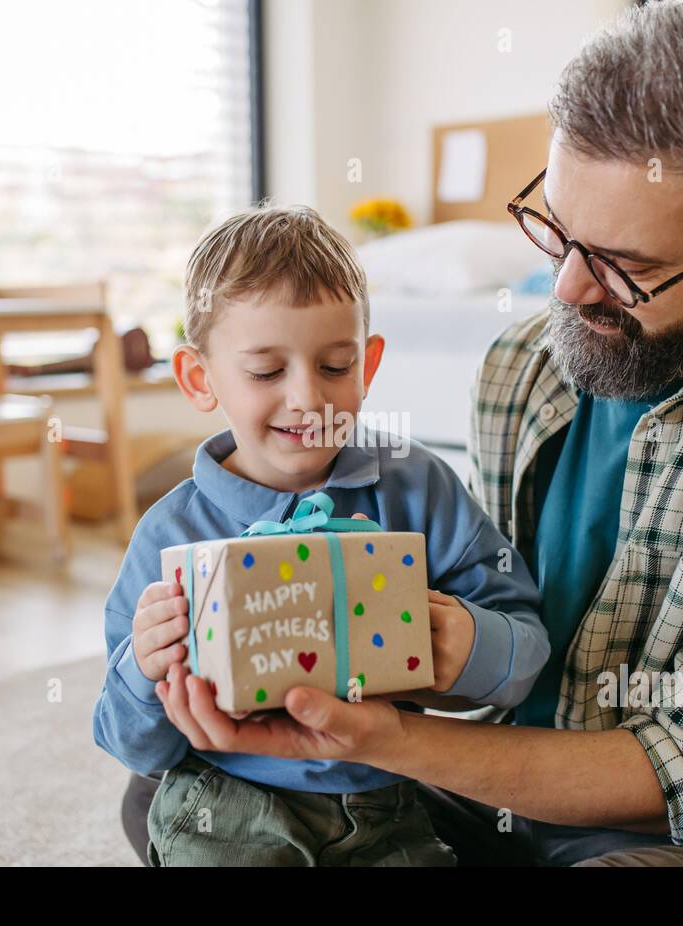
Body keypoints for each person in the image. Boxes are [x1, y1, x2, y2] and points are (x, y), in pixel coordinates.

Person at [129, 0, 683, 867]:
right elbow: (493, 626)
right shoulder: (525, 363)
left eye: (627, 266)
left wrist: (379, 742)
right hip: (503, 789)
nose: (569, 291)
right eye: (555, 231)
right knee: (188, 797)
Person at [92, 204, 550, 866]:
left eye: (335, 366)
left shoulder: (417, 486)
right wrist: (144, 666)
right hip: (227, 799)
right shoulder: (171, 531)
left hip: (387, 795)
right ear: (200, 378)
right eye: (267, 372)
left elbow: (526, 649)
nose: (308, 398)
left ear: (368, 364)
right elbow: (131, 744)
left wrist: (469, 643)